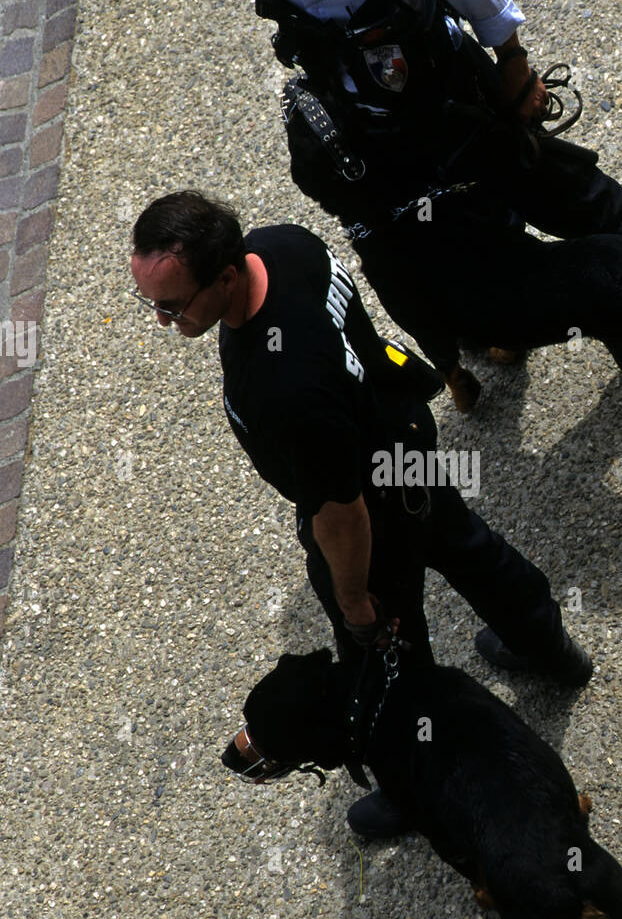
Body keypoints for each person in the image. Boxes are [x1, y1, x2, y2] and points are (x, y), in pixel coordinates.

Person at [129, 190, 593, 835]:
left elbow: (341, 514)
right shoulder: (283, 245)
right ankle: (549, 645)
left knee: (387, 657)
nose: (162, 318)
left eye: (172, 305)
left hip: (367, 505)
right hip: (401, 436)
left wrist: (355, 605)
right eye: (151, 301)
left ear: (227, 277)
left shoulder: (284, 389)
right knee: (461, 540)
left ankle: (416, 785)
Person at [205, 0, 622, 397]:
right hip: (380, 129)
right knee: (458, 234)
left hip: (460, 98)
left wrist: (517, 74)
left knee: (562, 191)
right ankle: (498, 325)